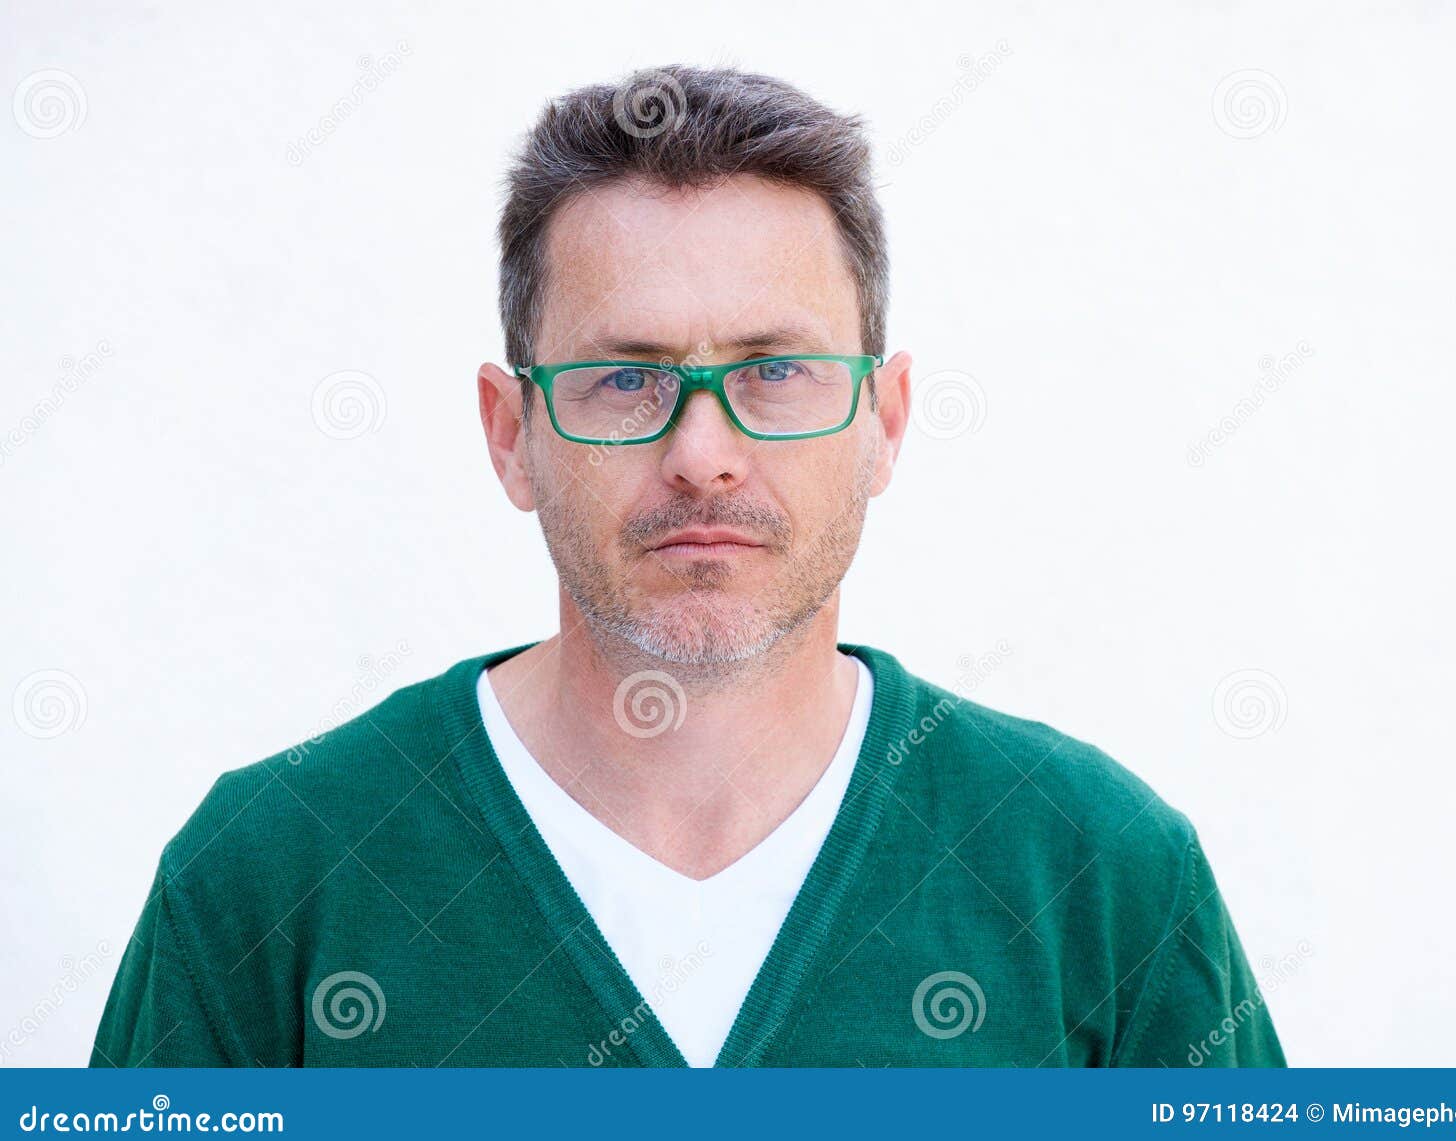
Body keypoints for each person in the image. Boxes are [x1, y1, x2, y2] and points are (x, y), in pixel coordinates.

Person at [92, 64, 1284, 1068]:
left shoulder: (1098, 874)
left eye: (774, 371)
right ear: (511, 434)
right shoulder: (272, 877)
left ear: (885, 422)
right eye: (625, 378)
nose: (702, 456)